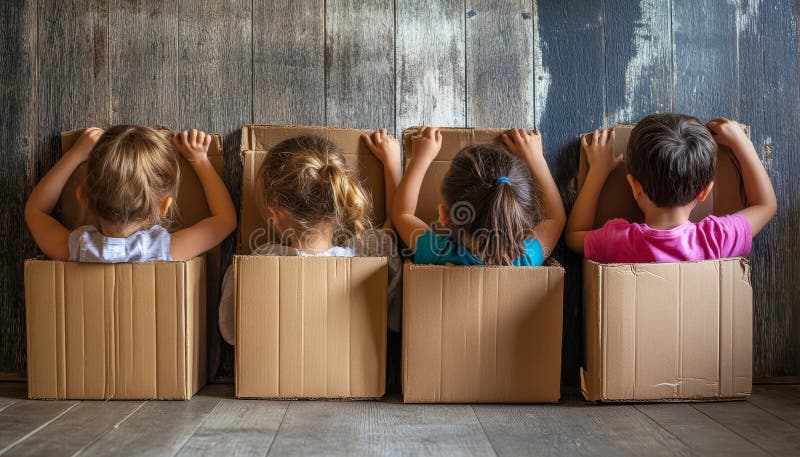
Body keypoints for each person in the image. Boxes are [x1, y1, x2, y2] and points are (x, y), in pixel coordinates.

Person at [218, 130, 402, 345]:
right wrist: (392, 164)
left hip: (273, 374)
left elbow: (230, 331)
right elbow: (394, 221)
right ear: (341, 199)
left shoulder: (260, 262)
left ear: (275, 215)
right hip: (348, 375)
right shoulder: (367, 257)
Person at [565, 114, 777, 263]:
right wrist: (742, 143)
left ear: (634, 186)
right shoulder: (717, 239)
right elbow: (765, 205)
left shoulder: (619, 242)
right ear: (704, 192)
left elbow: (574, 236)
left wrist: (597, 172)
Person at [25, 126, 236, 263]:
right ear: (164, 206)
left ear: (82, 198)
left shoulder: (79, 248)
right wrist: (200, 159)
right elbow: (225, 221)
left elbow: (35, 211)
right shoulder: (162, 250)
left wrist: (75, 153)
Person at [392, 126, 566, 266]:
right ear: (521, 220)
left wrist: (420, 158)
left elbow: (402, 214)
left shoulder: (438, 253)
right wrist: (535, 158)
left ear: (444, 216)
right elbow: (555, 219)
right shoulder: (525, 260)